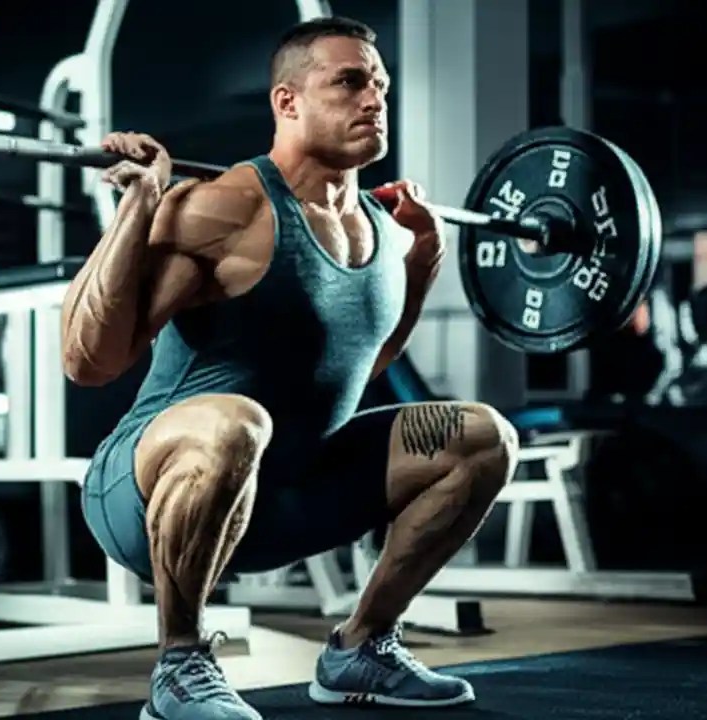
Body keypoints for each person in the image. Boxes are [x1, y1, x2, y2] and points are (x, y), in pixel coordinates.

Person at [61, 16, 519, 720]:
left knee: (482, 438)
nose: (375, 101)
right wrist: (141, 204)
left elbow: (363, 363)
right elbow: (88, 362)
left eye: (381, 87)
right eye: (351, 82)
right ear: (287, 101)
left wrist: (423, 260)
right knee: (238, 421)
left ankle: (360, 647)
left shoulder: (382, 230)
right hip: (145, 493)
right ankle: (180, 665)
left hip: (282, 497)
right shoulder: (223, 209)